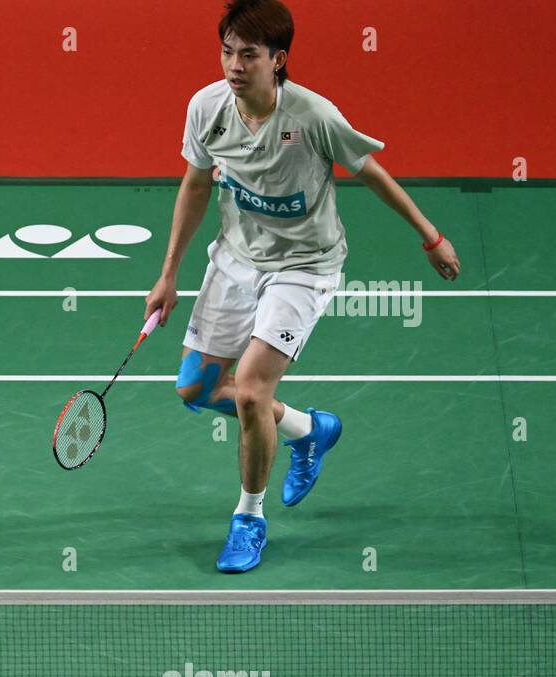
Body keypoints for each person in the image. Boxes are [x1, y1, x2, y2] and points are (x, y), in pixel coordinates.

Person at [143, 0, 461, 573]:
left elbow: (372, 172)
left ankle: (249, 518)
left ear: (278, 59)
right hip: (237, 259)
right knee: (193, 389)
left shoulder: (312, 116)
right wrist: (168, 274)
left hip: (305, 266)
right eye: (226, 51)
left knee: (249, 392)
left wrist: (430, 236)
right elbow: (194, 186)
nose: (234, 65)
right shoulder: (207, 108)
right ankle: (310, 430)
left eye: (248, 54)